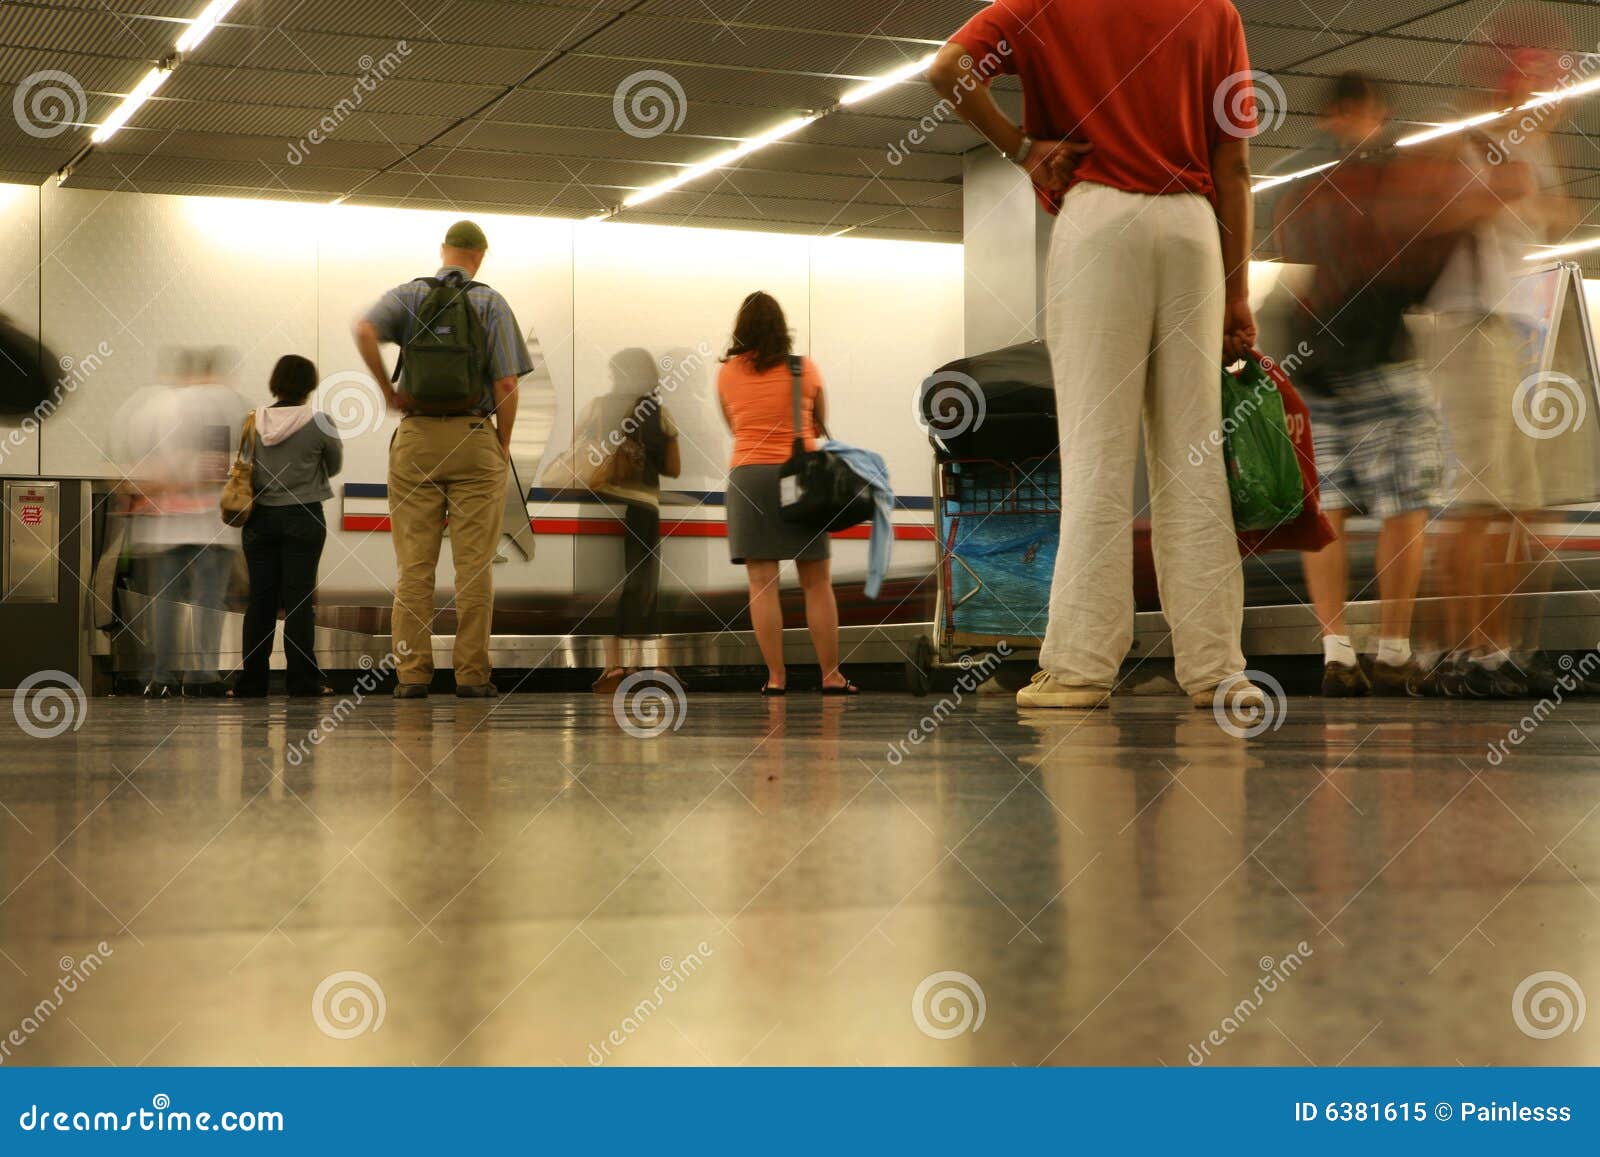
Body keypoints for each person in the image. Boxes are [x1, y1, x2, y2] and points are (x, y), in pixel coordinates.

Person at [931, 0, 1261, 712]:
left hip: (1099, 219)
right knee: (1194, 460)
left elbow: (946, 69)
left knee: (1095, 453)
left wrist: (1022, 149)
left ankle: (1081, 667)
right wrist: (1237, 295)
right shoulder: (1216, 11)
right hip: (1193, 232)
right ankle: (1217, 670)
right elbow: (1234, 163)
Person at [1271, 75, 1446, 696]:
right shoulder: (1395, 177)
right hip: (1380, 364)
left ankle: (1339, 653)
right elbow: (1423, 265)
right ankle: (1390, 652)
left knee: (1331, 511)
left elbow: (1294, 272)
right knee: (1401, 506)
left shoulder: (1301, 184)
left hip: (1319, 365)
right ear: (1376, 111)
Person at [353, 220, 534, 699]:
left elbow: (365, 329)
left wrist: (387, 390)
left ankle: (412, 675)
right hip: (474, 437)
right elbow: (507, 385)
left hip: (415, 439)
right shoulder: (490, 302)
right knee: (474, 567)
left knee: (414, 566)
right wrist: (503, 441)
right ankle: (471, 676)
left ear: (444, 251)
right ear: (480, 256)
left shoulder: (410, 296)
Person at [716, 291, 856, 695]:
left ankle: (776, 678)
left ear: (740, 330)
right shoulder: (804, 369)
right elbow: (819, 424)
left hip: (749, 477)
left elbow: (734, 425)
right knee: (816, 581)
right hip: (801, 478)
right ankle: (831, 675)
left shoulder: (726, 373)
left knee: (762, 583)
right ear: (782, 327)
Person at [112, 348, 246, 698]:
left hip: (161, 522)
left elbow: (131, 464)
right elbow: (219, 464)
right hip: (208, 522)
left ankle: (160, 676)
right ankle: (201, 675)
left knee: (164, 601)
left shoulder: (150, 406)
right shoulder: (218, 403)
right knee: (208, 599)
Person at [230, 354, 343, 698]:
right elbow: (334, 465)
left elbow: (244, 466)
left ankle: (251, 683)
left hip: (260, 519)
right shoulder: (320, 421)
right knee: (299, 602)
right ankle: (303, 682)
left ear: (274, 382)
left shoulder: (253, 421)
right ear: (310, 385)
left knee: (260, 602)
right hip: (304, 517)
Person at [590, 348, 682, 693]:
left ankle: (612, 669)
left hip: (597, 504)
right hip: (641, 508)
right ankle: (646, 666)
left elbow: (577, 454)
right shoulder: (659, 415)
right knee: (641, 588)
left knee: (603, 592)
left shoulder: (597, 408)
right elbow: (674, 468)